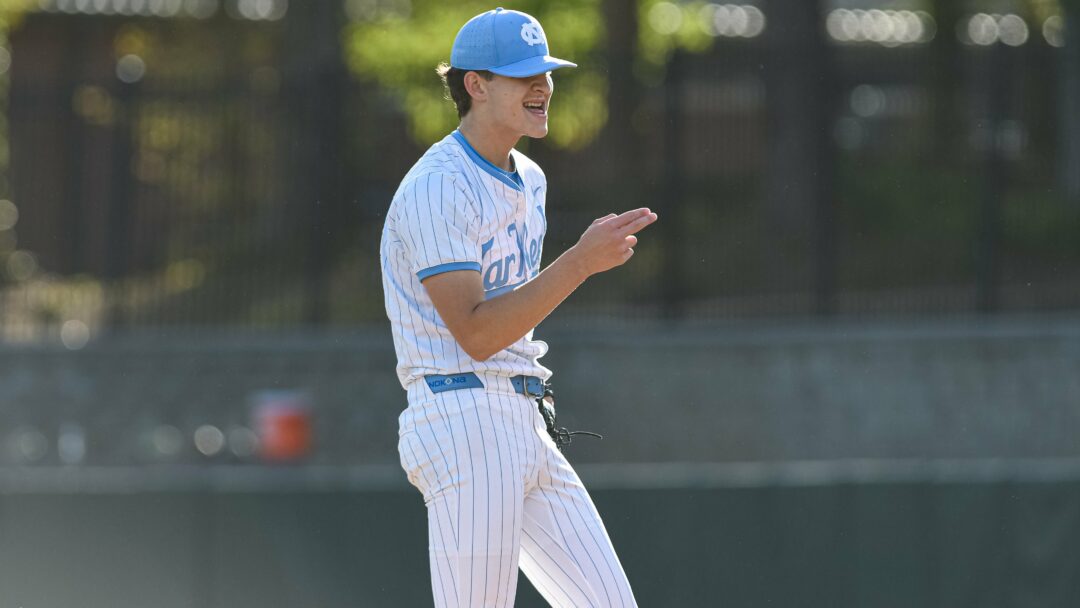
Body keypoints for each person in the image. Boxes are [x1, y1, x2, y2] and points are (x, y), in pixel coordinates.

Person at [380, 7, 656, 607]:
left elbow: (509, 317)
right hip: (462, 413)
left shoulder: (529, 177)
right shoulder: (438, 184)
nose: (543, 85)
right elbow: (476, 333)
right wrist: (580, 261)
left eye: (546, 72)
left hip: (524, 414)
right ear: (475, 85)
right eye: (522, 74)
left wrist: (579, 261)